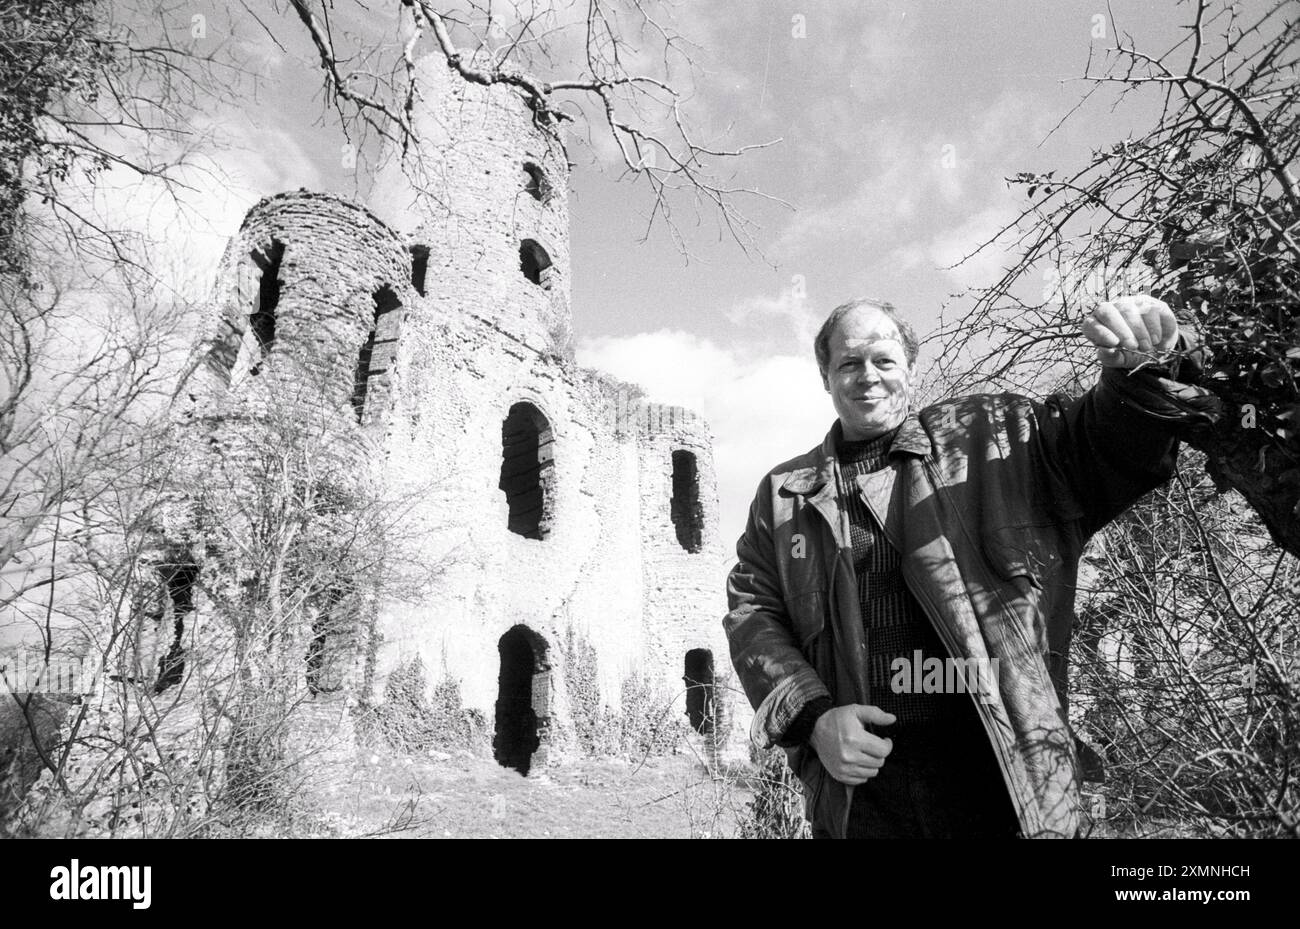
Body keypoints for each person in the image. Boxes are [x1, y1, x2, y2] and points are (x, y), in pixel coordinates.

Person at [723, 294, 1219, 838]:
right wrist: (815, 722)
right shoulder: (783, 495)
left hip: (1001, 773)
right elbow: (753, 613)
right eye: (848, 362)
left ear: (910, 371)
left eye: (883, 360)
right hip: (864, 790)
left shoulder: (992, 438)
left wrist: (1138, 372)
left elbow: (1099, 450)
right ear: (826, 376)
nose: (867, 376)